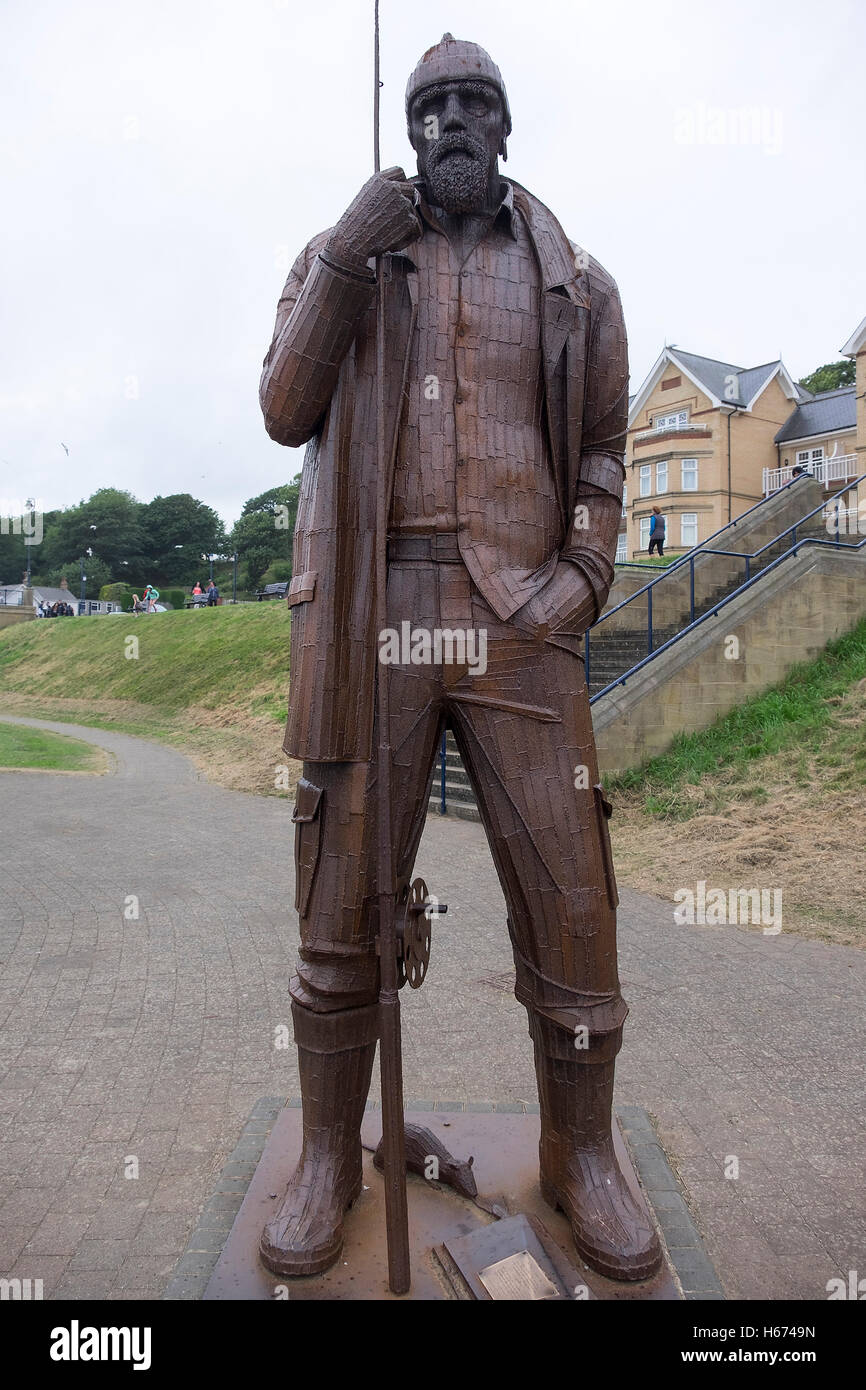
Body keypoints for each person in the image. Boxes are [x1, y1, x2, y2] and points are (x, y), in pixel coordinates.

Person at [257, 33, 661, 1284]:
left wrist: (579, 581)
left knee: (571, 896)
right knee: (341, 899)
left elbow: (602, 452)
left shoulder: (575, 284)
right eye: (429, 106)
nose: (448, 124)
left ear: (504, 126)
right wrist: (340, 246)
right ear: (410, 124)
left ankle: (578, 1152)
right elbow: (282, 405)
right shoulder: (350, 258)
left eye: (471, 105)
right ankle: (332, 1152)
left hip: (520, 619)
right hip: (374, 612)